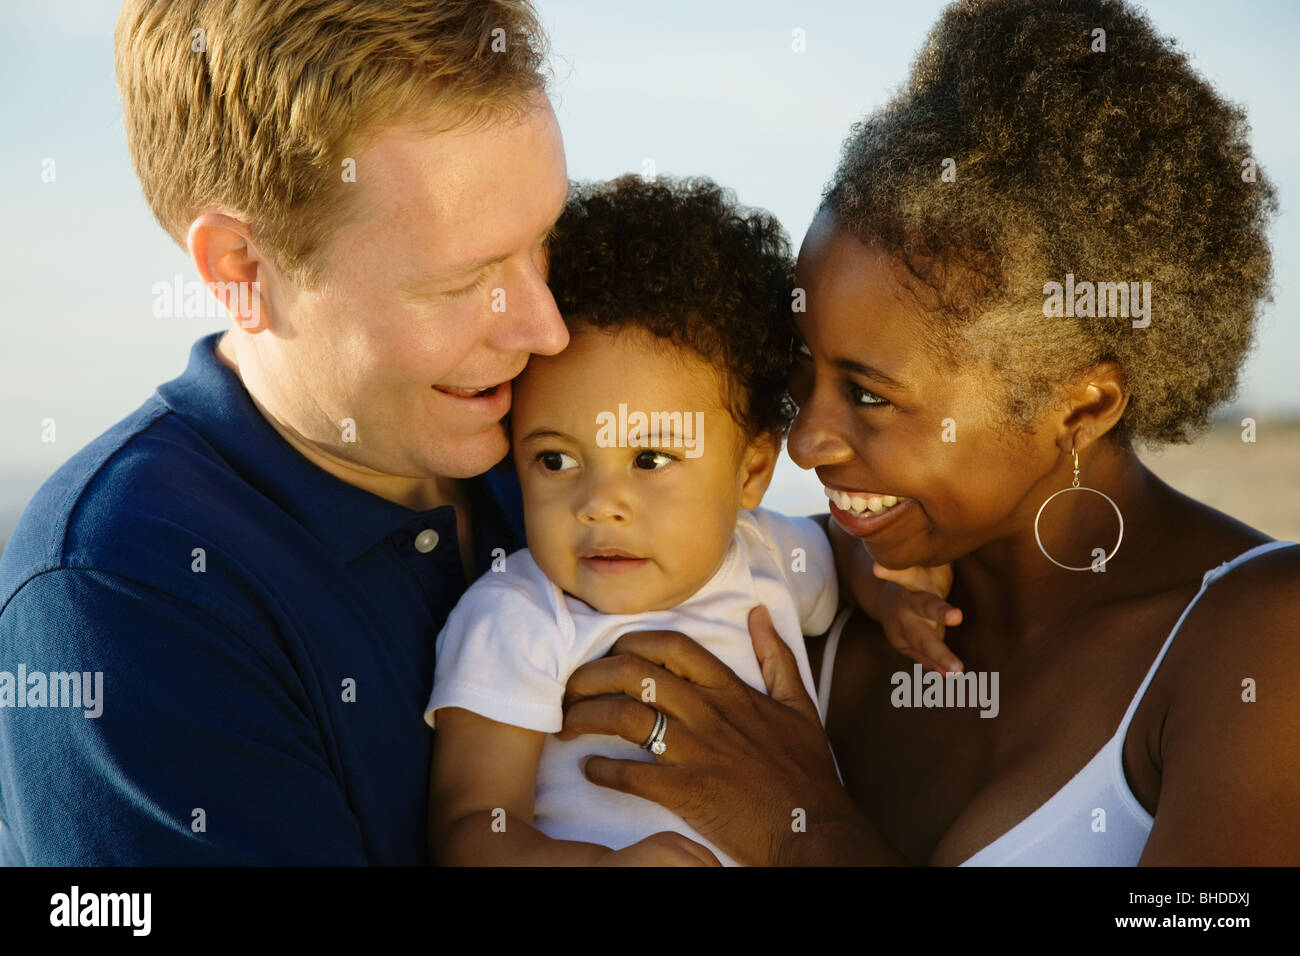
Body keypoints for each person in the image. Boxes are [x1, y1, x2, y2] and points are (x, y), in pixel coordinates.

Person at [553, 0, 1300, 865]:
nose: (806, 443)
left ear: (1082, 407)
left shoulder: (1259, 643)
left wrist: (809, 830)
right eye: (803, 370)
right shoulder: (806, 610)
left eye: (868, 396)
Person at [0, 0, 569, 865]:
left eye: (545, 242)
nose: (547, 329)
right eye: (462, 283)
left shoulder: (570, 435)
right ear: (241, 270)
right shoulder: (120, 589)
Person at [427, 176, 958, 866]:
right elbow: (471, 828)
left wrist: (889, 593)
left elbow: (840, 549)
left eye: (650, 458)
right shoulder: (517, 614)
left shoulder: (764, 552)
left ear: (751, 472)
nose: (599, 503)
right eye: (556, 460)